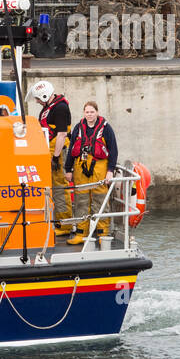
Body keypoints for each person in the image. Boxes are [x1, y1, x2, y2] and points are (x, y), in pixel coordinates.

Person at [62, 101, 119, 245]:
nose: (89, 115)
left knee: (100, 201)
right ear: (84, 113)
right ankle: (81, 234)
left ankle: (102, 234)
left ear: (97, 112)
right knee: (81, 202)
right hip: (81, 168)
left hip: (99, 168)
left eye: (92, 112)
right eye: (87, 112)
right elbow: (71, 150)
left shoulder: (106, 128)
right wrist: (68, 169)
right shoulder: (78, 127)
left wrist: (110, 171)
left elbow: (113, 151)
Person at [31, 80, 73, 234]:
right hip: (50, 150)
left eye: (37, 98)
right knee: (54, 188)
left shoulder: (60, 108)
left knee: (60, 188)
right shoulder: (49, 107)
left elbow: (62, 134)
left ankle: (65, 224)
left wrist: (55, 158)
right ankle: (59, 220)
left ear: (44, 95)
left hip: (57, 151)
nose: (36, 101)